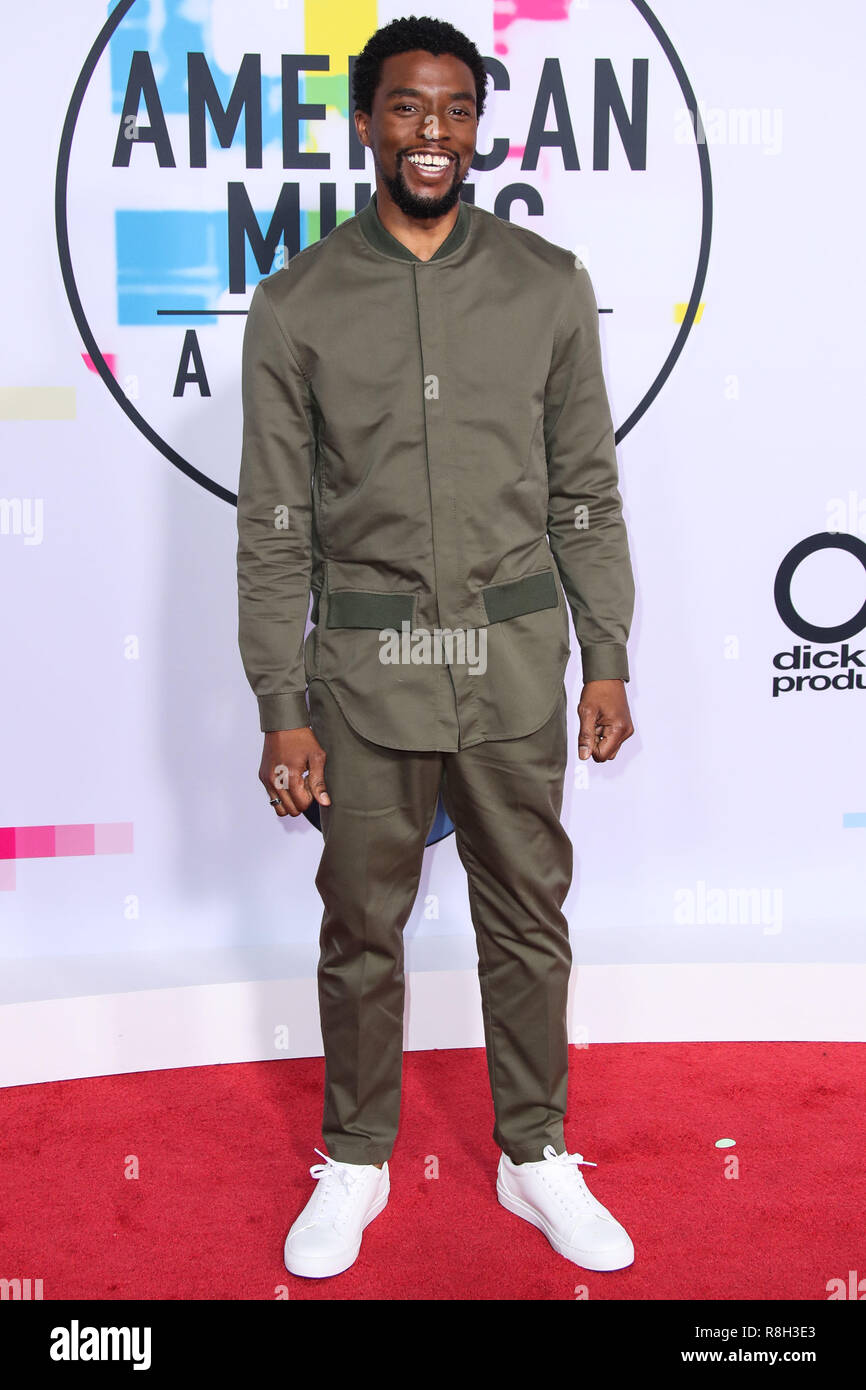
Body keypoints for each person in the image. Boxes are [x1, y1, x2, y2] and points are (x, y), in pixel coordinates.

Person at [236, 15, 636, 1281]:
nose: (430, 133)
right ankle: (353, 1160)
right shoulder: (296, 304)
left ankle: (537, 1155)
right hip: (361, 685)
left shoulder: (545, 283)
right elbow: (276, 525)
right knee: (360, 924)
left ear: (477, 126)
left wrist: (607, 650)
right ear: (365, 123)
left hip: (514, 670)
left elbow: (585, 492)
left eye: (453, 110)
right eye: (406, 108)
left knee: (530, 918)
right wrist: (279, 702)